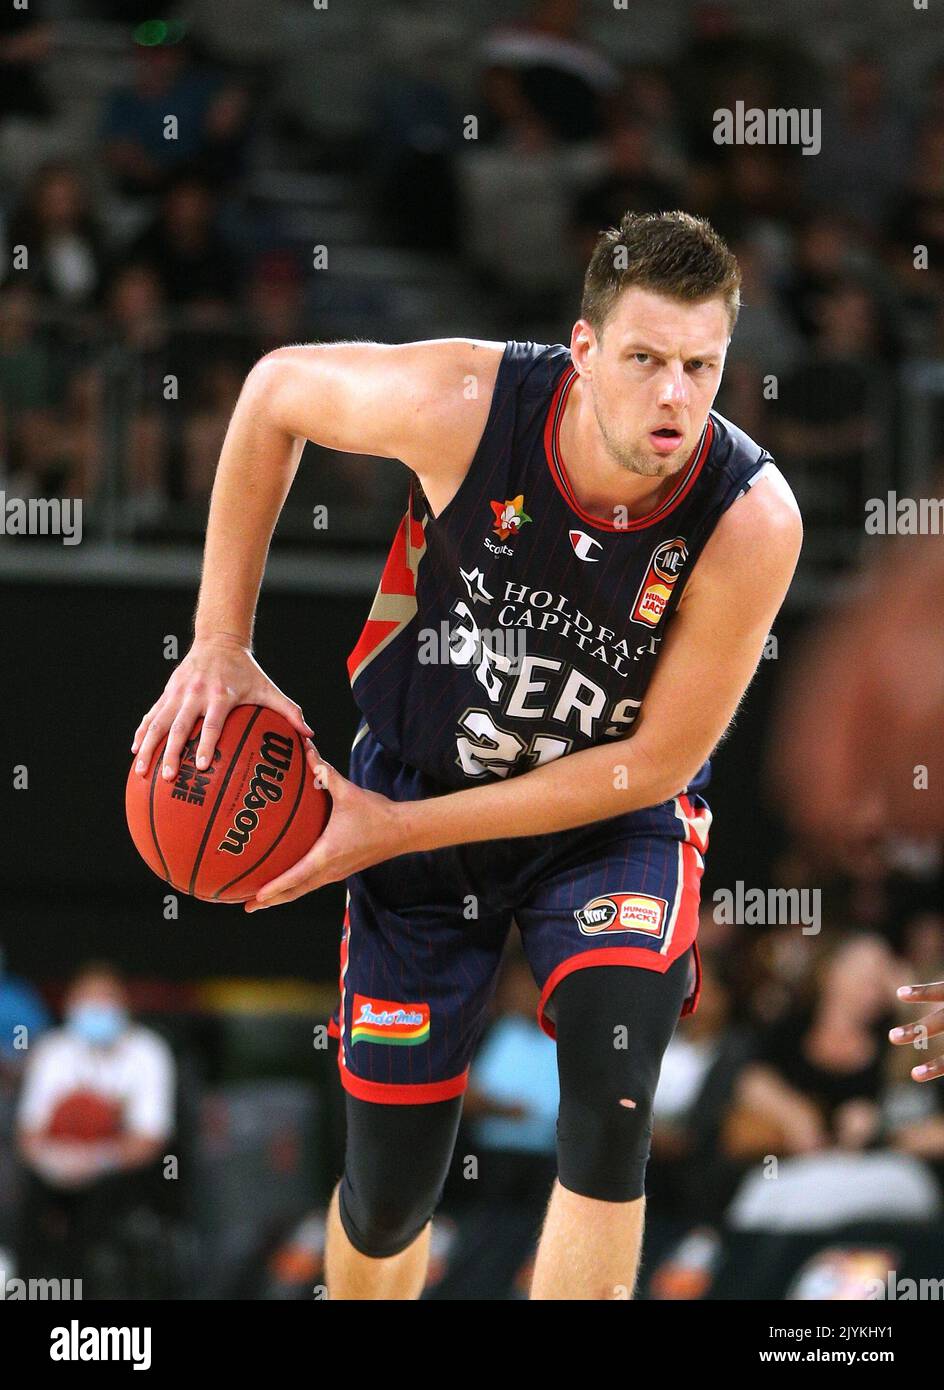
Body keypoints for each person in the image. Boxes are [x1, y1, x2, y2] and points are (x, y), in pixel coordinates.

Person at [131, 210, 802, 1300]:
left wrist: (389, 832)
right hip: (418, 775)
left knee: (610, 1080)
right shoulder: (463, 403)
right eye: (643, 359)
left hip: (605, 819)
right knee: (390, 1189)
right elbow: (271, 394)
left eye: (699, 366)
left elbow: (652, 767)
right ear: (584, 353)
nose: (674, 395)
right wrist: (219, 640)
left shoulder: (748, 517)